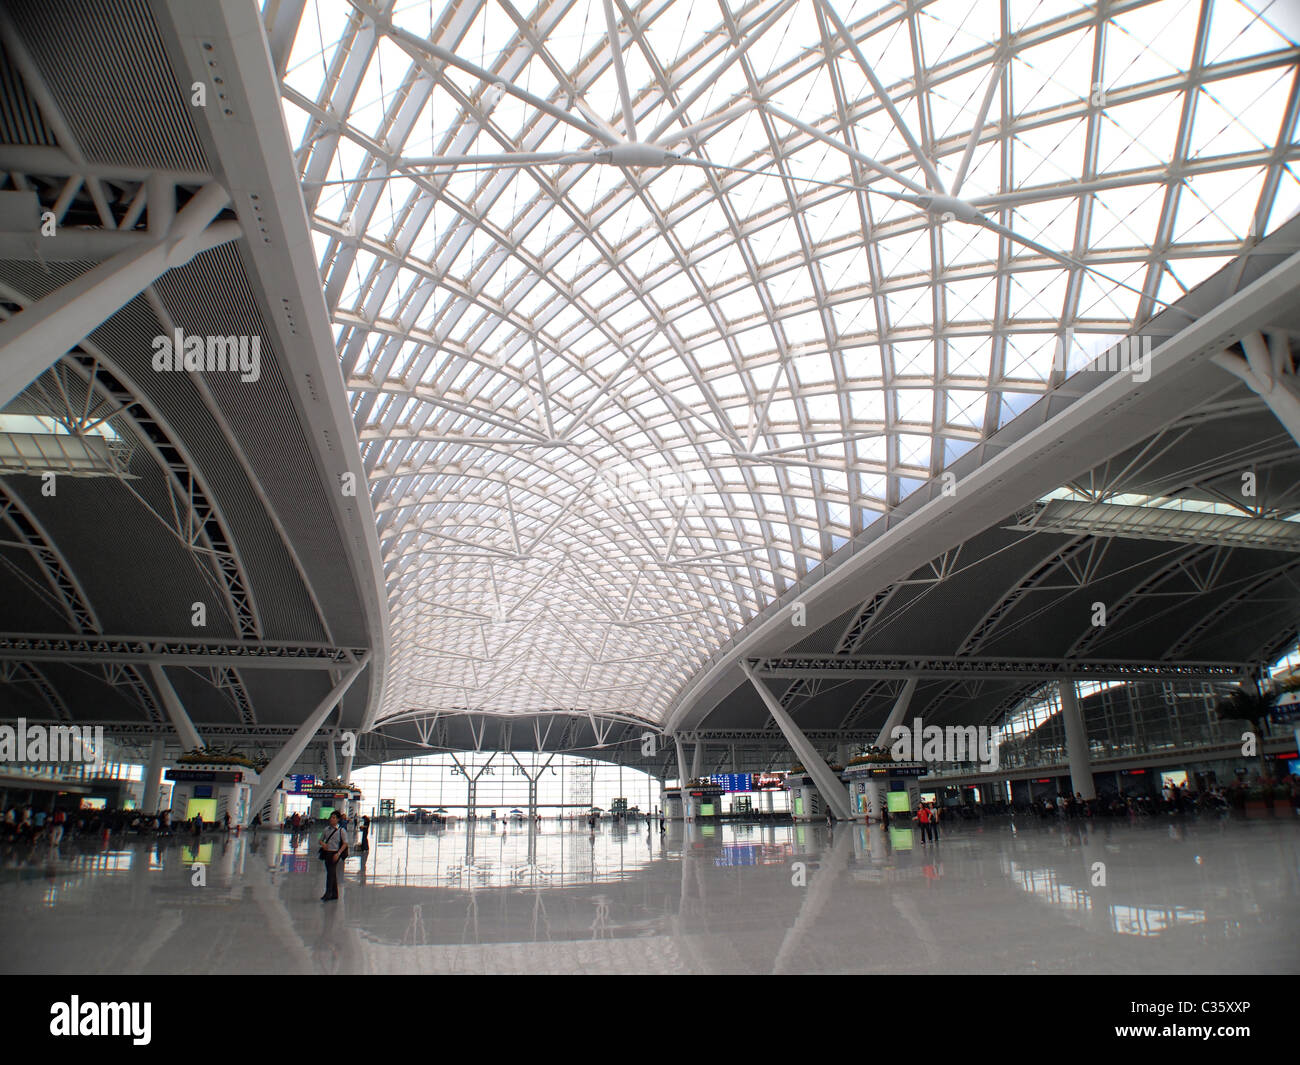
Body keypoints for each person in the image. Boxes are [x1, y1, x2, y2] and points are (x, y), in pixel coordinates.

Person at [319, 811, 348, 901]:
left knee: (330, 874)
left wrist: (338, 853)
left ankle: (328, 893)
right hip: (327, 853)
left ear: (338, 819)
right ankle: (335, 894)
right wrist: (323, 844)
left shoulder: (341, 831)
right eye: (331, 817)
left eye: (334, 817)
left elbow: (345, 843)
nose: (331, 819)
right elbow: (320, 840)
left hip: (335, 853)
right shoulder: (326, 829)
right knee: (331, 873)